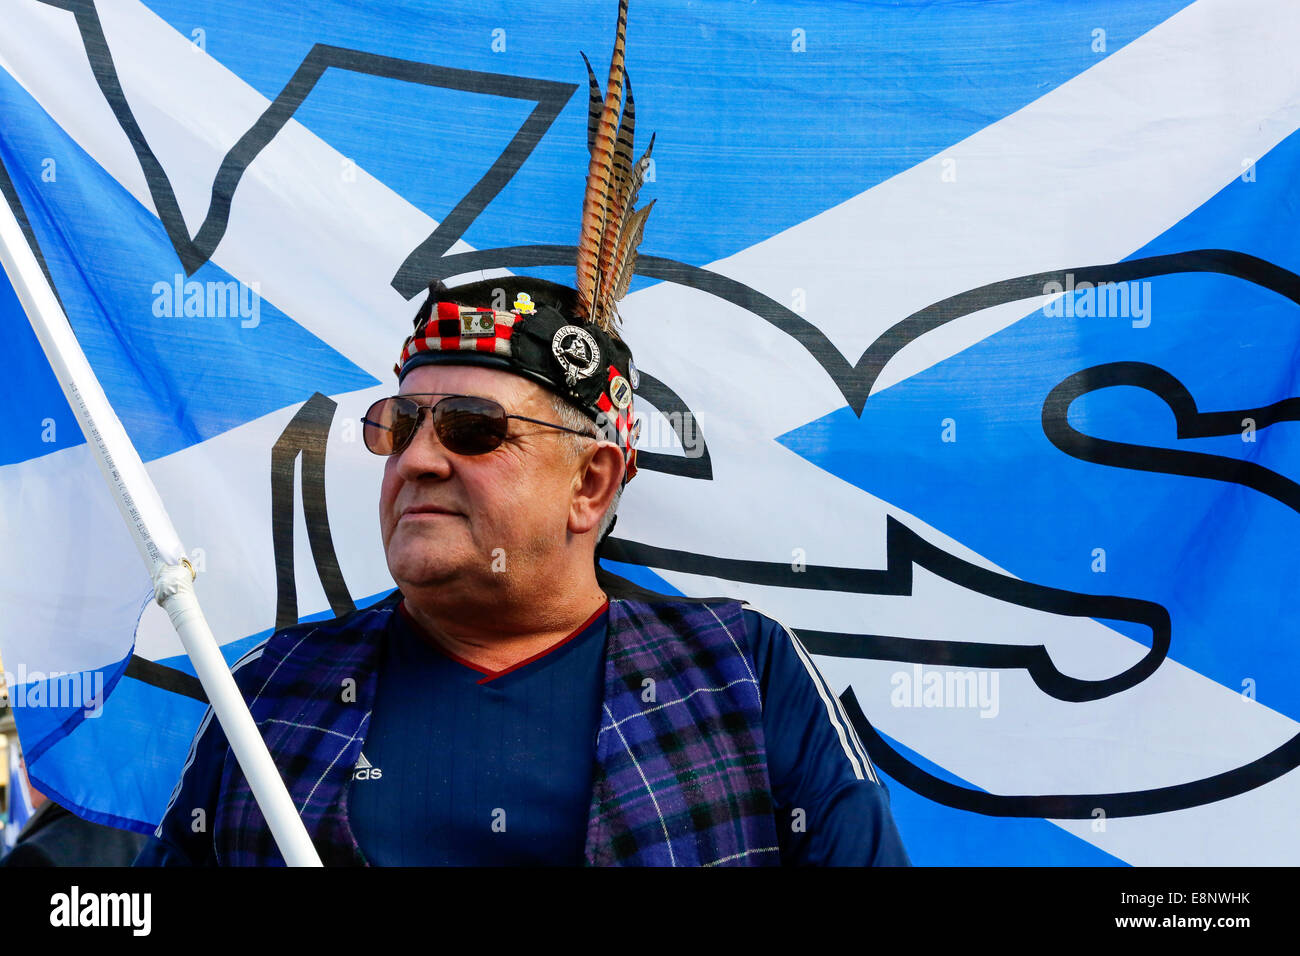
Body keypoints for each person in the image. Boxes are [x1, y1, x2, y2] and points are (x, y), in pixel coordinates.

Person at [134, 0, 908, 867]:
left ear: (593, 483)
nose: (419, 459)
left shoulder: (746, 675)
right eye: (399, 423)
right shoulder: (271, 691)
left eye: (473, 429)